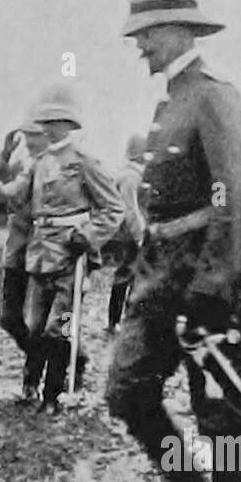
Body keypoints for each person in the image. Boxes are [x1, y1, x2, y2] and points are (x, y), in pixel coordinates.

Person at [104, 0, 241, 482]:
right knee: (127, 392)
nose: (138, 44)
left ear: (175, 30)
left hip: (210, 282)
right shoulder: (168, 103)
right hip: (160, 279)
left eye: (145, 33)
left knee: (221, 420)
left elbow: (239, 200)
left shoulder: (214, 96)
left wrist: (210, 289)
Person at [24, 84, 123, 414]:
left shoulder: (84, 163)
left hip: (71, 257)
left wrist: (89, 234)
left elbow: (113, 208)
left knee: (59, 328)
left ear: (69, 124)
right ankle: (30, 386)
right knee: (34, 326)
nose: (48, 126)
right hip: (41, 255)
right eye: (46, 120)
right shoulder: (40, 163)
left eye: (55, 120)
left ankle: (52, 396)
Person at [0, 120, 50, 401]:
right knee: (8, 317)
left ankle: (31, 381)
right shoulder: (25, 162)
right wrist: (4, 153)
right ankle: (52, 355)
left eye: (36, 135)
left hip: (43, 250)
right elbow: (3, 189)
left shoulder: (52, 165)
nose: (30, 141)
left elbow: (8, 194)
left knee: (37, 322)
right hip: (17, 248)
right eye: (28, 136)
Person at [108, 132, 148, 333]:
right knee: (127, 274)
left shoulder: (128, 174)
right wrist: (141, 236)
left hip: (125, 233)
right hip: (129, 234)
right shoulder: (131, 177)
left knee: (129, 274)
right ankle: (116, 321)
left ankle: (119, 320)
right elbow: (130, 209)